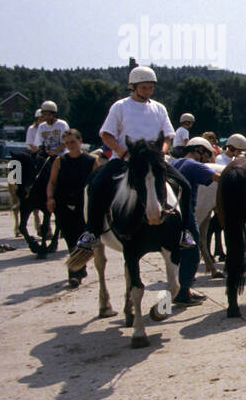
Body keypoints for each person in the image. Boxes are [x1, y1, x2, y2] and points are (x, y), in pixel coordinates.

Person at [68, 64, 195, 268]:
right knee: (97, 183)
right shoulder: (120, 106)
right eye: (144, 87)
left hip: (154, 161)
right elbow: (107, 135)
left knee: (185, 186)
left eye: (151, 87)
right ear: (133, 87)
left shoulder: (159, 108)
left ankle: (183, 232)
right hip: (126, 159)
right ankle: (91, 232)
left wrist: (161, 151)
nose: (148, 91)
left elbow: (167, 137)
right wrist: (121, 151)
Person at [169, 137, 218, 305]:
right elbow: (219, 178)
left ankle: (181, 289)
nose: (207, 160)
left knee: (178, 253)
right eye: (207, 155)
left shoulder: (174, 163)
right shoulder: (194, 165)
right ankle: (183, 293)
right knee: (192, 253)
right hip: (187, 213)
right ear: (200, 150)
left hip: (172, 213)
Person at [46, 128, 97, 287]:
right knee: (70, 239)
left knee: (83, 239)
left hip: (83, 206)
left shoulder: (90, 161)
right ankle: (75, 272)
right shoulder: (60, 161)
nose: (70, 145)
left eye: (73, 142)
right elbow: (52, 182)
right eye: (67, 143)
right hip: (63, 205)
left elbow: (96, 184)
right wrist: (50, 198)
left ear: (80, 141)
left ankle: (78, 267)